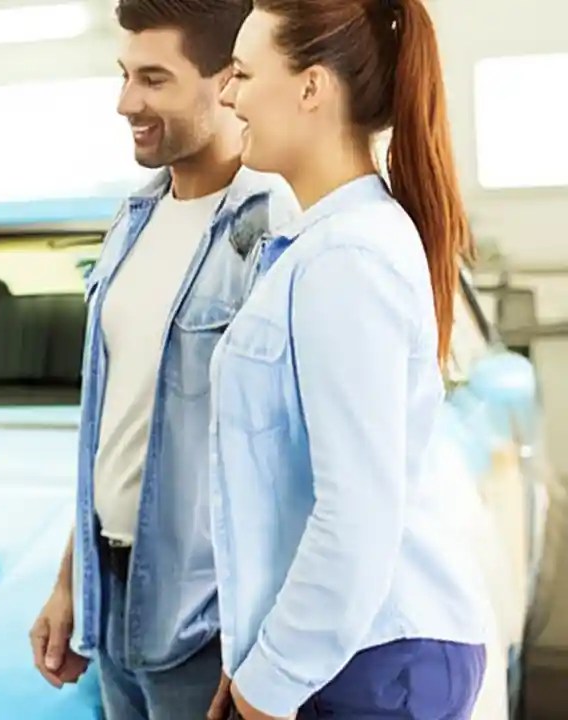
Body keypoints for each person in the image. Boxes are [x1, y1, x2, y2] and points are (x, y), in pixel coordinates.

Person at [210, 1, 490, 718]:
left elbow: (355, 512)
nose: (226, 93)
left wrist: (265, 686)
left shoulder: (348, 258)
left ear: (311, 88)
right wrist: (260, 658)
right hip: (349, 650)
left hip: (376, 657)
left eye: (242, 72)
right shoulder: (327, 244)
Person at [27, 1, 297, 717]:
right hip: (113, 601)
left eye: (154, 79)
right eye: (124, 76)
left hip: (211, 619)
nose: (125, 103)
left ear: (227, 81)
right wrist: (70, 584)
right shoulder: (132, 223)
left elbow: (290, 461)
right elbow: (116, 427)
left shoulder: (273, 230)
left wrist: (263, 648)